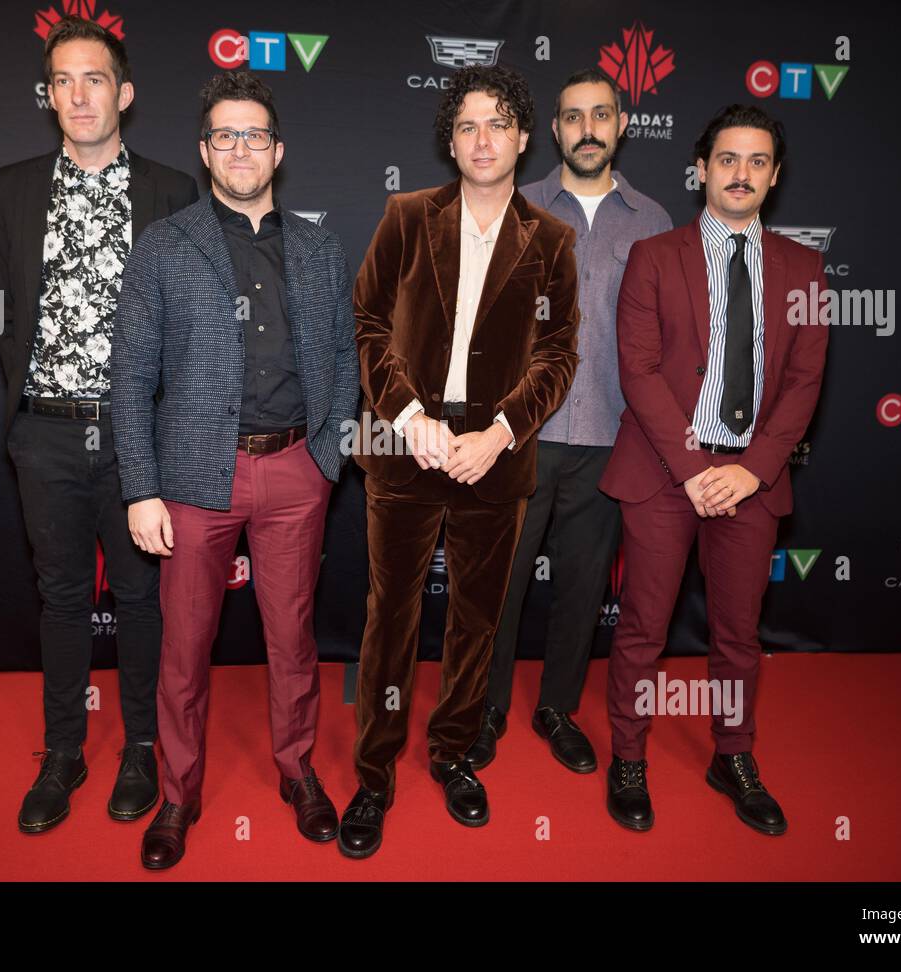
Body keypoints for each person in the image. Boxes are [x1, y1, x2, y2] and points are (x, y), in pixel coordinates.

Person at [110, 71, 360, 870]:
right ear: (205, 150)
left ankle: (298, 771)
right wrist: (142, 487)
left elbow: (346, 361)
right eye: (226, 135)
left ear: (278, 151)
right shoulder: (165, 245)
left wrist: (328, 457)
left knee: (292, 639)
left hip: (295, 470)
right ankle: (179, 795)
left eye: (255, 134)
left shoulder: (320, 248)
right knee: (184, 649)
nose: (241, 147)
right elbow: (129, 377)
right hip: (190, 480)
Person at [339, 64, 581, 859]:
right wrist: (405, 416)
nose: (483, 139)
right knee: (392, 620)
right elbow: (370, 321)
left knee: (479, 623)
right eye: (468, 125)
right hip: (405, 453)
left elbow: (557, 355)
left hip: (494, 460)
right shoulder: (407, 217)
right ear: (452, 139)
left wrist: (502, 432)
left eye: (498, 124)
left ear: (522, 138)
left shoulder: (551, 241)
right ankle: (374, 774)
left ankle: (452, 753)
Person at [0, 15, 197, 836]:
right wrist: (29, 410)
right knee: (63, 596)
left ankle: (141, 747)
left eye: (95, 78)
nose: (78, 94)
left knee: (143, 597)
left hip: (137, 438)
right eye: (64, 81)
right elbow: (2, 313)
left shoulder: (173, 191)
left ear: (126, 93)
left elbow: (190, 322)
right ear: (48, 95)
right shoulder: (11, 187)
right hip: (44, 433)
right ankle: (64, 751)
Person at [601, 104, 829, 836]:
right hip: (667, 474)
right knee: (642, 629)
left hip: (752, 485)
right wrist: (695, 467)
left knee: (738, 635)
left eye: (757, 161)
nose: (741, 174)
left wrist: (755, 470)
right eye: (728, 159)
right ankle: (629, 758)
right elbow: (636, 369)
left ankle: (731, 755)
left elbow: (803, 384)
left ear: (775, 175)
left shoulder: (804, 268)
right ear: (701, 169)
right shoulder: (654, 256)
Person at [467, 67, 672, 775]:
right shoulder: (511, 207)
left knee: (583, 587)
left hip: (613, 439)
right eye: (573, 117)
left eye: (602, 115)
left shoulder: (654, 222)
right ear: (553, 131)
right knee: (500, 585)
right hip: (515, 438)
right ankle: (486, 707)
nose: (588, 128)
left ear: (621, 125)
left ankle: (557, 707)